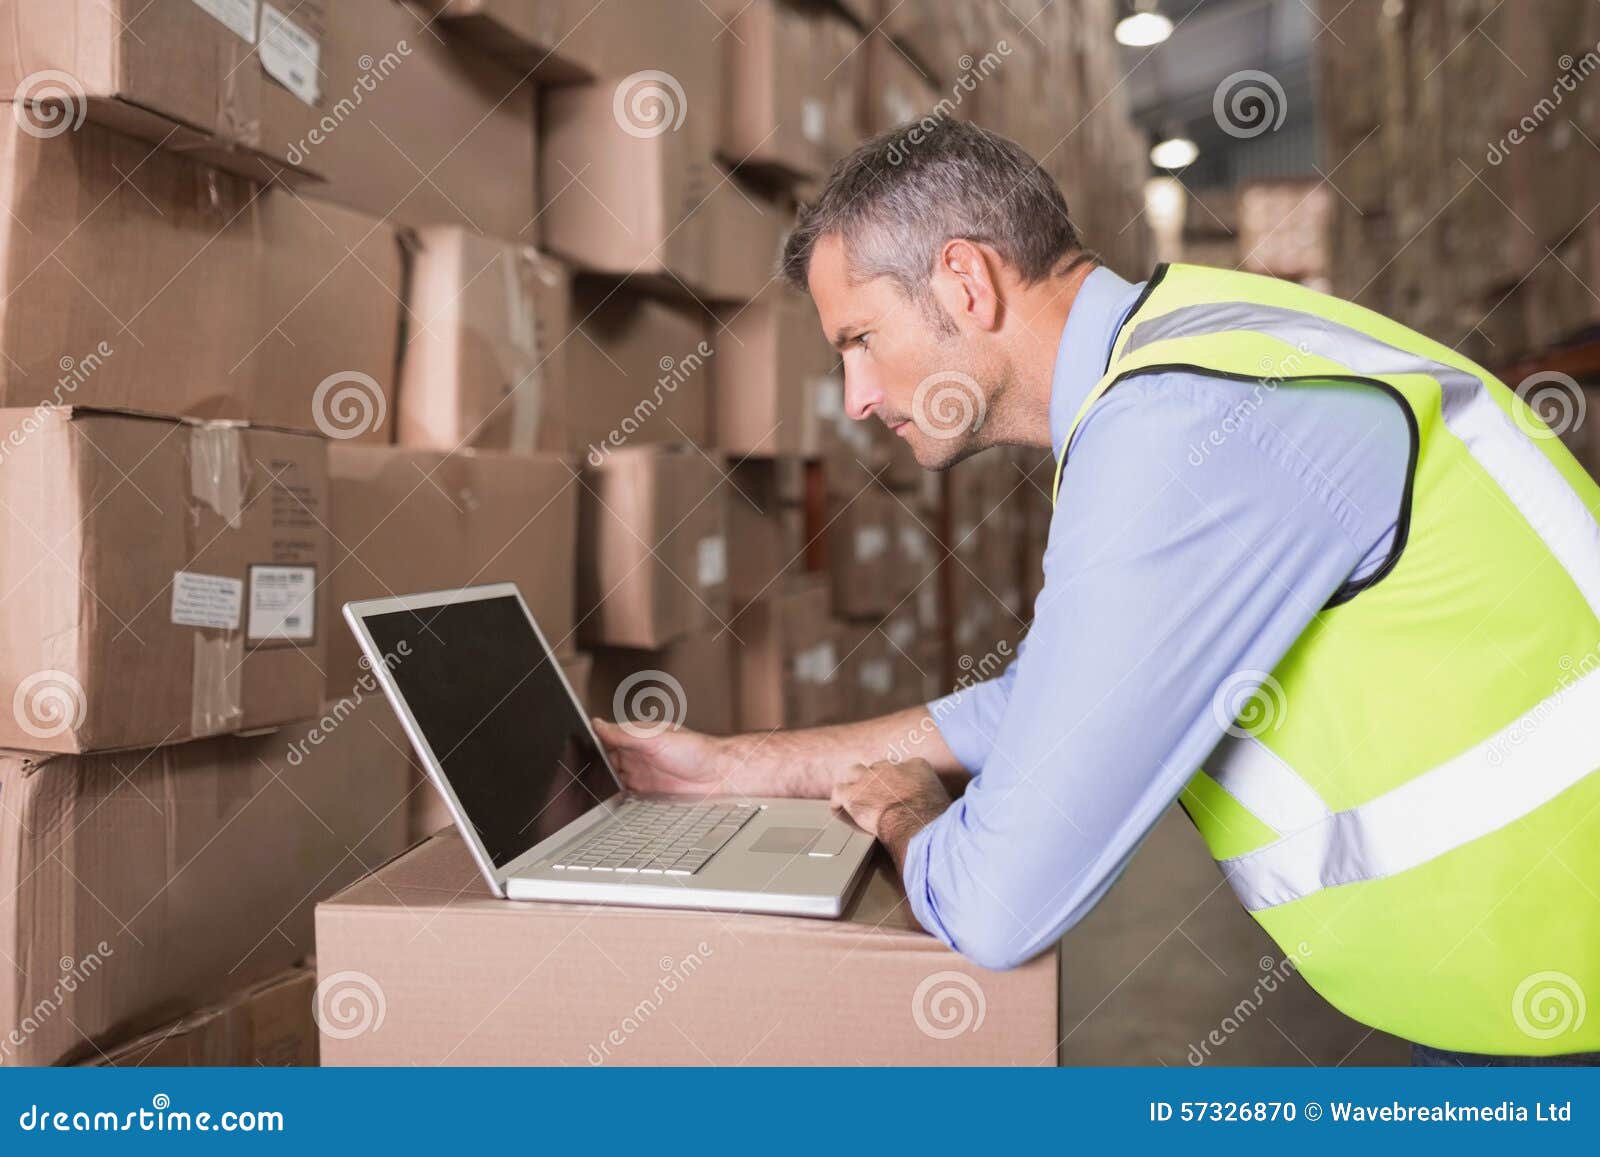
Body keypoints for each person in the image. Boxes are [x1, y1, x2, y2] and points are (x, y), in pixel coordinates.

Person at [593, 118, 1600, 1066]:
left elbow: (997, 904)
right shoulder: (1190, 351)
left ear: (965, 280)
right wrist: (724, 769)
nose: (855, 394)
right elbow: (1040, 697)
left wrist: (907, 813)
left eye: (857, 338)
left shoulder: (1176, 429)